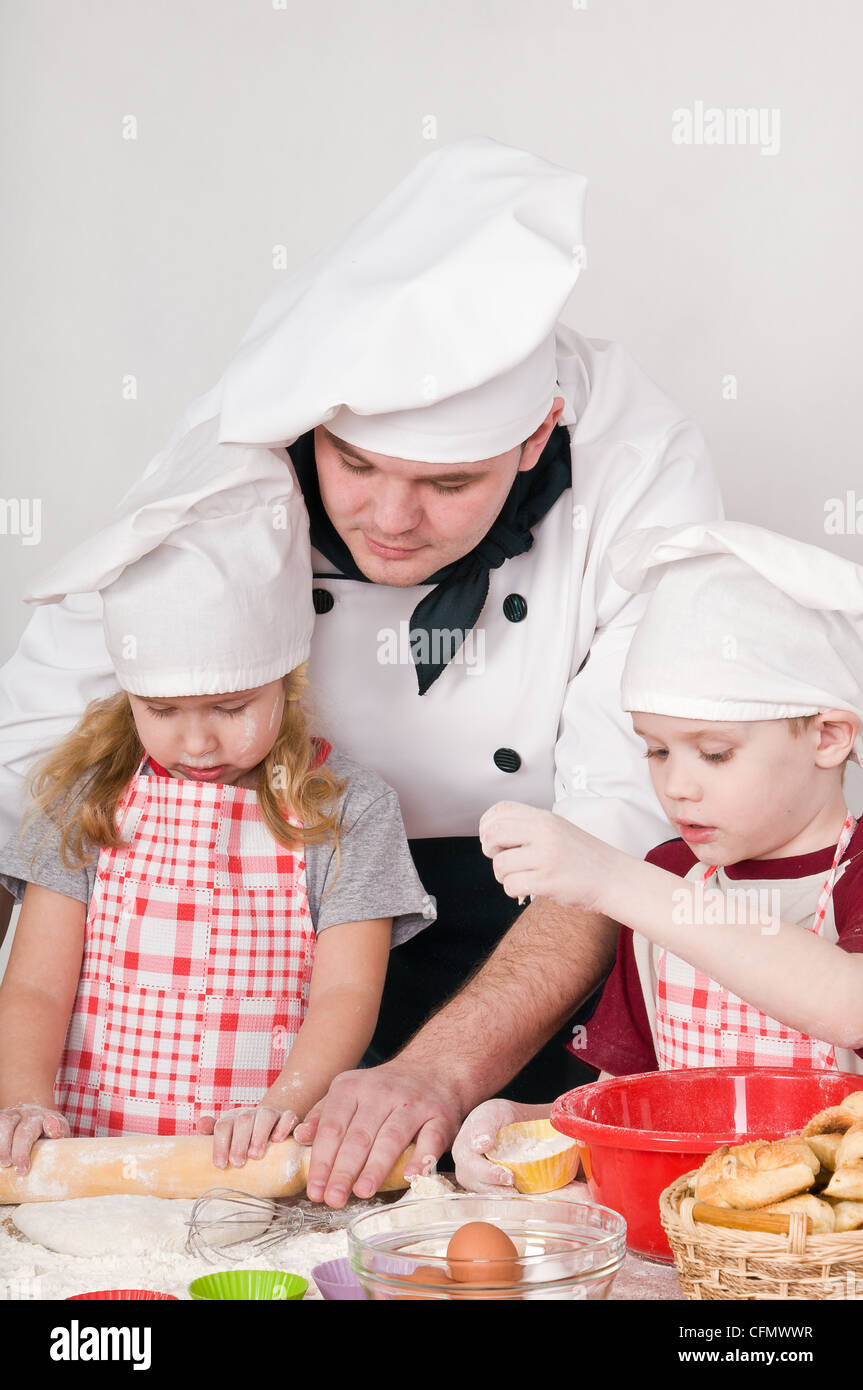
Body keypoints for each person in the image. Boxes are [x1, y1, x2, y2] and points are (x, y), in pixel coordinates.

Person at [0, 138, 723, 1200]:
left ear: (535, 439)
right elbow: (38, 755)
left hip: (526, 917)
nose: (388, 520)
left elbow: (622, 828)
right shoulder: (242, 428)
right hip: (255, 948)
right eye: (355, 465)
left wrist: (433, 1071)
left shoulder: (642, 461)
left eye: (447, 482)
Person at [0, 435, 435, 1175]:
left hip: (257, 1158)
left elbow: (346, 991)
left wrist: (287, 1103)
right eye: (161, 709)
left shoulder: (349, 809)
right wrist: (22, 1099)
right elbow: (37, 984)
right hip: (87, 1158)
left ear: (286, 682)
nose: (196, 741)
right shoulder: (82, 796)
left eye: (231, 706)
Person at [455, 521, 863, 1190]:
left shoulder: (845, 872)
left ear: (826, 738)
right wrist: (526, 1126)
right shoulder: (668, 872)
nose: (676, 785)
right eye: (656, 749)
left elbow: (846, 1004)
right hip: (691, 1238)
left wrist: (615, 878)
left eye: (714, 753)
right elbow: (627, 1108)